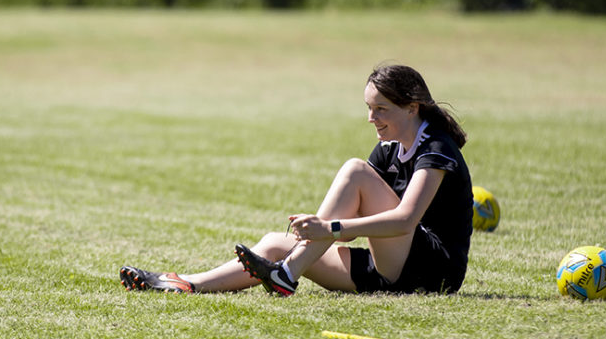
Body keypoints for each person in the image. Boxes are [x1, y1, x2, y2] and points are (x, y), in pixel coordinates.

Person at [119, 63, 473, 296]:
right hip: (393, 269)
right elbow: (350, 230)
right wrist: (327, 232)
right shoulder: (388, 149)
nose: (370, 118)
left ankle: (287, 273)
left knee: (354, 170)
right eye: (368, 107)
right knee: (274, 243)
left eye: (381, 109)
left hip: (434, 274)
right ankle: (185, 284)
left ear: (412, 107)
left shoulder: (436, 147)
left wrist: (328, 229)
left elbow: (405, 220)